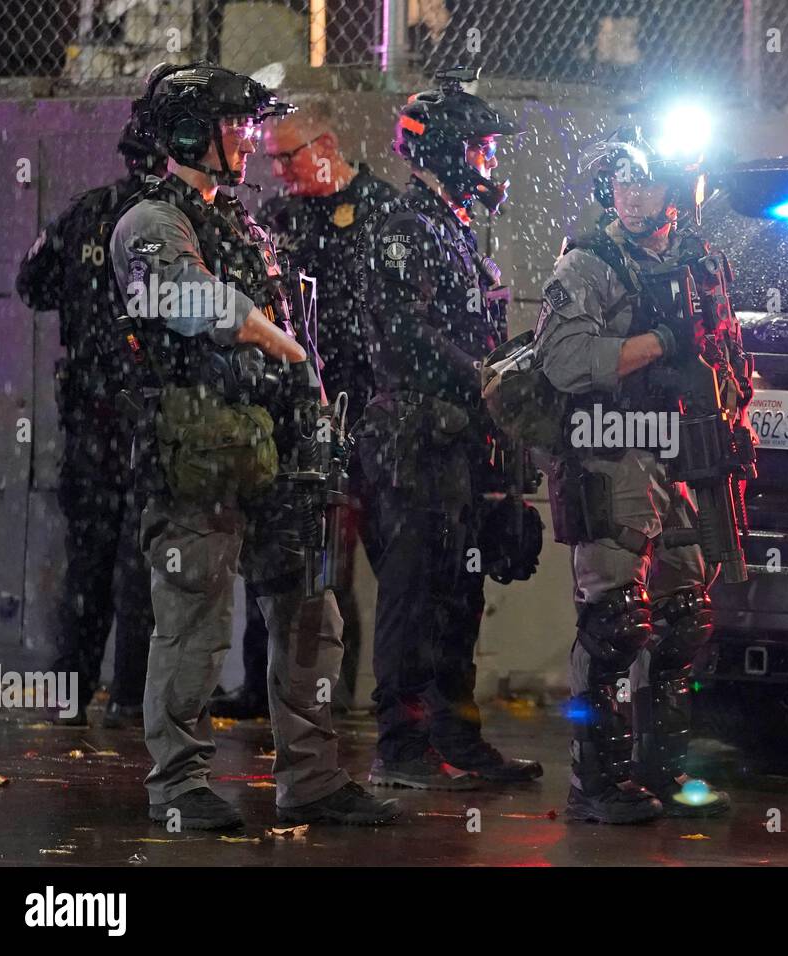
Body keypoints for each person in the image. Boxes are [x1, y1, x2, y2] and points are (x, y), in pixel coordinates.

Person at [109, 61, 398, 829]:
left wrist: (312, 407)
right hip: (199, 456)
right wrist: (276, 342)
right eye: (230, 124)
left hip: (273, 451)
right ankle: (177, 783)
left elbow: (291, 331)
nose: (245, 138)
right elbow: (181, 296)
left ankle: (311, 774)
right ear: (186, 134)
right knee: (195, 622)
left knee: (312, 611)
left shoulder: (239, 221)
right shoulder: (150, 221)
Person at [532, 126, 753, 823]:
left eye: (645, 182)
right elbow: (564, 362)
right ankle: (595, 784)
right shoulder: (588, 263)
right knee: (616, 622)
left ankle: (665, 773)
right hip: (613, 447)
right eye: (621, 182)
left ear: (677, 191)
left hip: (689, 451)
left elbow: (728, 355)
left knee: (685, 619)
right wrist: (661, 342)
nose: (630, 196)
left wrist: (737, 419)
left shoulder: (702, 261)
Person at [355, 66, 543, 790]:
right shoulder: (405, 232)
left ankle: (456, 740)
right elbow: (406, 337)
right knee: (412, 594)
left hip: (460, 446)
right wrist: (484, 376)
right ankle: (401, 748)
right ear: (445, 152)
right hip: (413, 443)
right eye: (480, 149)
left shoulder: (460, 234)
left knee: (460, 592)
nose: (490, 162)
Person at [209, 103, 399, 719]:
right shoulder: (279, 218)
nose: (280, 169)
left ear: (326, 143)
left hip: (367, 411)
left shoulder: (379, 210)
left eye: (289, 156)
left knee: (355, 565)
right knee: (281, 556)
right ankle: (264, 691)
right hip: (296, 408)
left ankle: (336, 695)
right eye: (272, 159)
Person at [15, 69, 173, 729]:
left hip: (92, 415)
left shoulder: (85, 213)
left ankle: (71, 694)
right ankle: (131, 699)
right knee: (142, 559)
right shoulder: (173, 224)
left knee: (89, 557)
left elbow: (33, 285)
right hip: (148, 412)